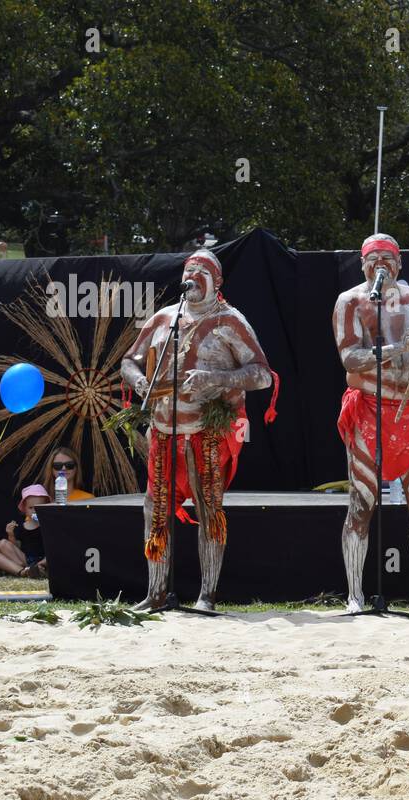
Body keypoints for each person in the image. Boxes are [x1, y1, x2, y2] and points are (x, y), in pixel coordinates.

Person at [121, 248, 276, 611]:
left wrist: (217, 378)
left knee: (209, 508)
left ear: (218, 281)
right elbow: (130, 360)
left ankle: (207, 595)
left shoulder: (231, 322)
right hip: (163, 430)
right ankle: (156, 591)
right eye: (189, 271)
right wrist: (141, 381)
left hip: (208, 432)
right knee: (155, 509)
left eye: (202, 271)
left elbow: (262, 375)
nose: (192, 277)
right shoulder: (164, 319)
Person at [333, 233, 409, 614]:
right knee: (361, 504)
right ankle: (355, 596)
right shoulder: (350, 302)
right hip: (369, 411)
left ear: (399, 264)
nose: (380, 264)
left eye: (388, 258)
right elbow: (351, 359)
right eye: (373, 258)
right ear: (362, 264)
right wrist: (399, 348)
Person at [0, 484, 49, 579]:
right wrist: (10, 534)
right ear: (24, 509)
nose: (34, 511)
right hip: (24, 559)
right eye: (31, 508)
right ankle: (25, 570)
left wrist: (42, 563)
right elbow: (16, 547)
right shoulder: (22, 526)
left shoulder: (48, 525)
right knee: (3, 543)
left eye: (39, 507)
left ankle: (34, 569)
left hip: (42, 560)